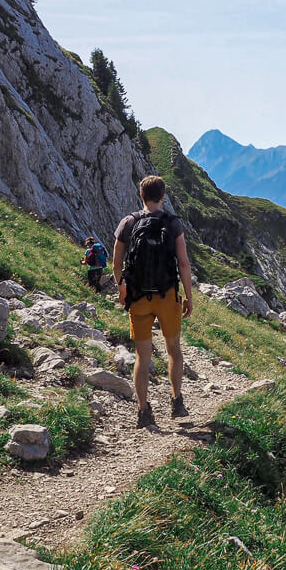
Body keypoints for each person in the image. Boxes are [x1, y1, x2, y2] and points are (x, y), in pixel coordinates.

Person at [112, 175, 193, 428]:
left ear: (141, 195)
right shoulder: (173, 223)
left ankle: (143, 410)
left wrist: (121, 287)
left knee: (142, 357)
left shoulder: (128, 222)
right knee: (174, 350)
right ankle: (176, 400)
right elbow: (183, 263)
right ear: (163, 196)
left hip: (138, 298)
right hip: (167, 296)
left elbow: (116, 263)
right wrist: (188, 296)